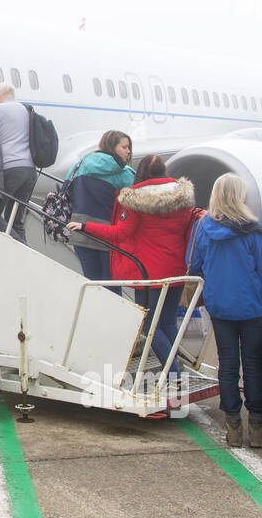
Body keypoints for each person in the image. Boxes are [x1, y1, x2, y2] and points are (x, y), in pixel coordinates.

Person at [68, 156, 195, 383]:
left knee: (149, 325)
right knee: (167, 323)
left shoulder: (136, 200)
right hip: (176, 271)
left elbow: (119, 233)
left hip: (150, 276)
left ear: (142, 173)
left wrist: (85, 226)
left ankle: (174, 375)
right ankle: (177, 369)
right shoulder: (182, 197)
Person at [186, 173, 262, 448]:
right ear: (240, 197)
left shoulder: (204, 227)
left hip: (220, 305)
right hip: (252, 306)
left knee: (228, 365)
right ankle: (256, 428)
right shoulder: (252, 230)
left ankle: (232, 426)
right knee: (253, 364)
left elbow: (193, 265)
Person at [65, 130, 136, 285]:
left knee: (93, 286)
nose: (128, 151)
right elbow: (138, 204)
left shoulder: (81, 165)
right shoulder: (125, 173)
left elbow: (66, 190)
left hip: (81, 232)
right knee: (113, 289)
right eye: (124, 147)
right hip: (108, 237)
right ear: (112, 147)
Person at [0, 83, 37, 243]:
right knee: (16, 221)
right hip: (30, 171)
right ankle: (25, 254)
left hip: (9, 169)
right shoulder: (26, 109)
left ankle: (19, 246)